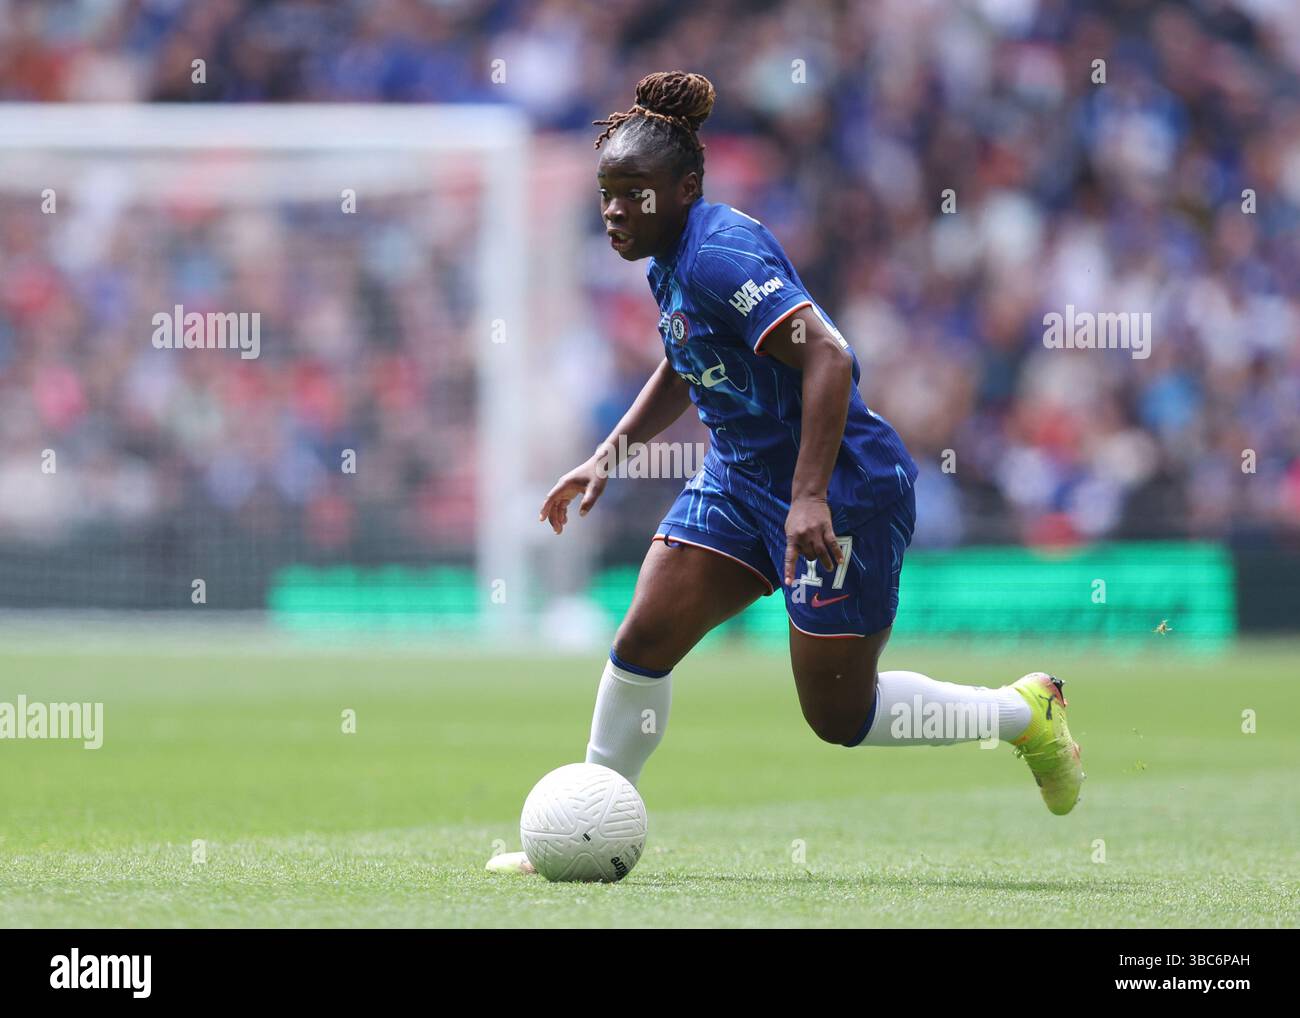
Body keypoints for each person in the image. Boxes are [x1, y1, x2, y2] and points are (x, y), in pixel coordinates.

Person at [490, 71, 1082, 875]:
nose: (616, 211)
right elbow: (685, 354)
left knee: (840, 716)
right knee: (643, 636)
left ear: (686, 188)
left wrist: (807, 497)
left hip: (839, 493)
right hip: (740, 480)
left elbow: (831, 359)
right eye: (607, 194)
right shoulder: (667, 254)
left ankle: (1023, 714)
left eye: (634, 193)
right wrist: (609, 454)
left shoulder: (720, 255)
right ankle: (587, 821)